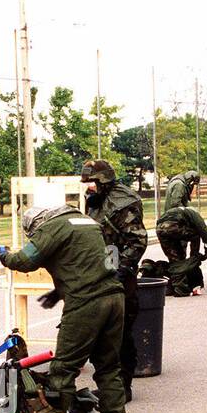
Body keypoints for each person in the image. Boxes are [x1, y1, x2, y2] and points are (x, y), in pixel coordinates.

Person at [0, 205, 129, 413]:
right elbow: (83, 264)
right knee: (108, 365)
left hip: (87, 304)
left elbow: (25, 260)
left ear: (36, 225)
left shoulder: (52, 227)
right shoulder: (86, 221)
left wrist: (5, 256)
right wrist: (58, 292)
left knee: (63, 369)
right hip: (114, 298)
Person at [81, 159, 147, 400]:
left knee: (120, 334)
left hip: (120, 274)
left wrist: (122, 270)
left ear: (104, 181)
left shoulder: (124, 202)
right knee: (101, 334)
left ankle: (122, 387)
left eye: (92, 183)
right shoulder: (97, 201)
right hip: (100, 271)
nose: (89, 188)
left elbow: (137, 241)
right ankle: (110, 384)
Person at [155, 202, 207, 295]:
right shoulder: (193, 213)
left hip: (160, 230)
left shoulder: (176, 212)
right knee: (196, 235)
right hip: (172, 226)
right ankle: (194, 256)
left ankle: (178, 288)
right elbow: (203, 230)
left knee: (176, 260)